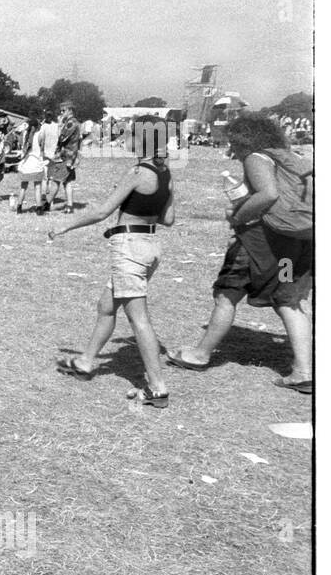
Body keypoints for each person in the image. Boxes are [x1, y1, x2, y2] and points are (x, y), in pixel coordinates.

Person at [165, 113, 313, 393]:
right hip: (290, 246)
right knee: (288, 299)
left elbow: (268, 195)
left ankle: (200, 354)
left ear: (247, 138)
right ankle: (304, 371)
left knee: (227, 294)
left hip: (257, 244)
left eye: (233, 140)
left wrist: (237, 217)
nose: (231, 148)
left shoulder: (257, 157)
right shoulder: (288, 157)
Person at [50, 115, 176, 407]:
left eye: (131, 135)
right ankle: (85, 361)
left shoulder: (137, 172)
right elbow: (169, 219)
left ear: (144, 139)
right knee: (106, 307)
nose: (127, 139)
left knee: (138, 317)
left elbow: (101, 212)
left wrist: (65, 226)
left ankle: (157, 388)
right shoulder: (167, 173)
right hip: (150, 246)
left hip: (129, 248)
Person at [50, 101, 82, 212]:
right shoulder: (75, 122)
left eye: (63, 111)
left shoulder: (70, 123)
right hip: (71, 156)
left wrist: (59, 125)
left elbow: (62, 138)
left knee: (55, 181)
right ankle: (69, 206)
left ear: (70, 110)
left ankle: (46, 205)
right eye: (61, 111)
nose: (61, 113)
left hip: (65, 156)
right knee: (67, 182)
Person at [13, 115, 46, 214]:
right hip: (36, 164)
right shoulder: (40, 134)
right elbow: (42, 148)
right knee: (37, 187)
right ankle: (39, 208)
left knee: (23, 187)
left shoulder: (24, 135)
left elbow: (18, 135)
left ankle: (19, 206)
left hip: (25, 165)